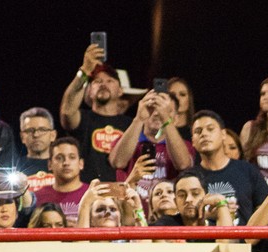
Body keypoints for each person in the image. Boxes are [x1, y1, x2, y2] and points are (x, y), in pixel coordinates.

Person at [60, 51, 132, 183]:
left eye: (110, 81)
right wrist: (84, 72)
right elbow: (67, 112)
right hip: (86, 193)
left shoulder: (131, 125)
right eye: (97, 81)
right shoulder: (82, 118)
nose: (103, 84)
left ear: (121, 90)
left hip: (120, 194)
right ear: (89, 92)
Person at [109, 90, 192, 203]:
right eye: (152, 108)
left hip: (168, 218)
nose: (157, 113)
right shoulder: (127, 141)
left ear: (176, 118)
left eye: (166, 110)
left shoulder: (184, 146)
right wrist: (139, 119)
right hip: (131, 214)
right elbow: (118, 162)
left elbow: (183, 164)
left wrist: (166, 120)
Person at [190, 110, 268, 223]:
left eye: (210, 129)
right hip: (206, 240)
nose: (204, 134)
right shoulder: (190, 178)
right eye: (198, 131)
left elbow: (266, 210)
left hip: (244, 240)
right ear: (193, 141)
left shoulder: (247, 171)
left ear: (223, 135)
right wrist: (206, 215)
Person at [30, 137, 89, 225]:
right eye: (59, 158)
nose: (66, 163)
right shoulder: (37, 197)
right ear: (50, 164)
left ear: (81, 163)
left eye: (72, 157)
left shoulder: (92, 194)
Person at [158, 170, 236, 227]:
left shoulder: (216, 225)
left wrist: (221, 202)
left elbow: (228, 246)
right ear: (175, 202)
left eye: (195, 194)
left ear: (206, 197)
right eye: (182, 195)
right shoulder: (166, 224)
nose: (188, 199)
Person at [19, 107, 57, 183]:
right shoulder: (15, 168)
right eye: (30, 130)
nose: (36, 135)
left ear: (53, 135)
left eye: (42, 129)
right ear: (22, 137)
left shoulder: (63, 166)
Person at [166, 77, 195, 141]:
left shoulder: (195, 132)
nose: (177, 98)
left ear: (189, 100)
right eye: (172, 95)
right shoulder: (159, 130)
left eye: (182, 94)